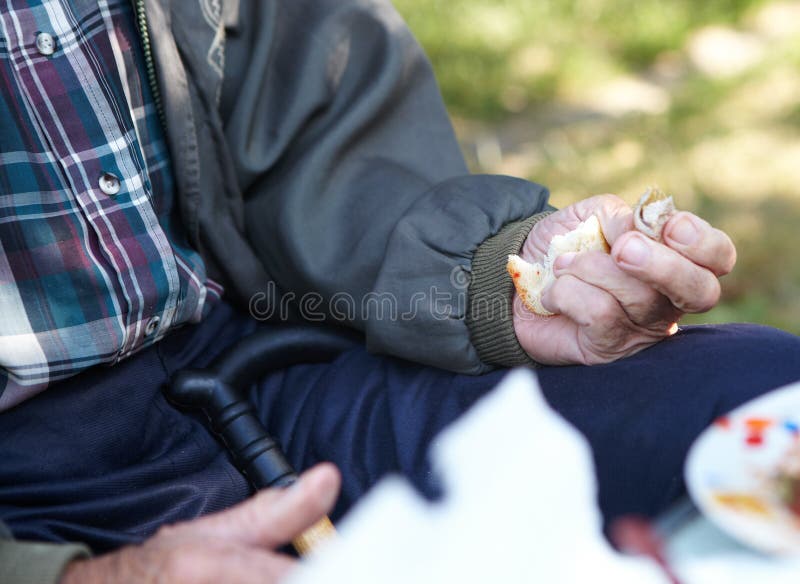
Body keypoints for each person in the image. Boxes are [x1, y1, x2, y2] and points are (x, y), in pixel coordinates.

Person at [1, 1, 799, 582]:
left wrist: (491, 278)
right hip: (28, 499)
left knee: (755, 398)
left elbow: (308, 129)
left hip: (255, 354)